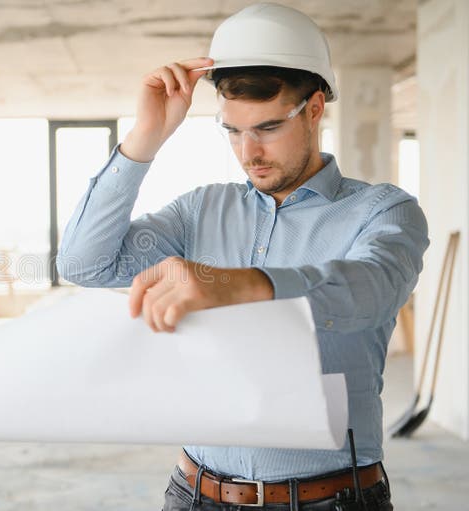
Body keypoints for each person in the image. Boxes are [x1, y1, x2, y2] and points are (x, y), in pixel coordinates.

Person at [56, 3, 428, 510]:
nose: (248, 151)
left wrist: (236, 283)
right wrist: (147, 136)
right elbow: (84, 265)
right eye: (232, 130)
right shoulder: (201, 210)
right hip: (195, 494)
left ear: (315, 108)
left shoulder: (383, 211)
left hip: (332, 501)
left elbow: (371, 288)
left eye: (268, 128)